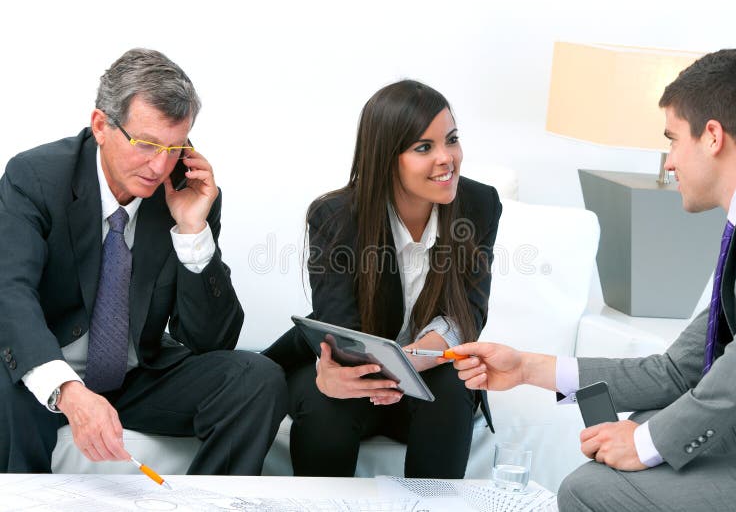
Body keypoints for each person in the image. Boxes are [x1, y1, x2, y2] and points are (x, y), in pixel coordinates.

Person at [450, 49, 736, 511]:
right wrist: (525, 368)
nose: (669, 162)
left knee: (588, 489)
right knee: (634, 430)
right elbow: (679, 369)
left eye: (673, 140)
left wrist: (647, 443)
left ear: (712, 136)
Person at [0, 48, 287, 474]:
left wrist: (193, 231)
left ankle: (207, 506)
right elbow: (10, 292)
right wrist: (69, 391)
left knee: (256, 378)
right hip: (50, 373)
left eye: (175, 148)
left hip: (137, 375)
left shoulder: (185, 193)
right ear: (101, 125)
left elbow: (211, 342)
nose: (159, 166)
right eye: (147, 144)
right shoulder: (36, 177)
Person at [264, 80, 502, 478]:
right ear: (386, 157)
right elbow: (340, 327)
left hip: (425, 370)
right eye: (423, 148)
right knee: (327, 399)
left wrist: (404, 364)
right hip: (352, 366)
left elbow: (468, 315)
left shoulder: (479, 204)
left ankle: (431, 508)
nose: (447, 159)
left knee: (455, 384)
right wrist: (340, 373)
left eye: (452, 139)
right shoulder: (335, 216)